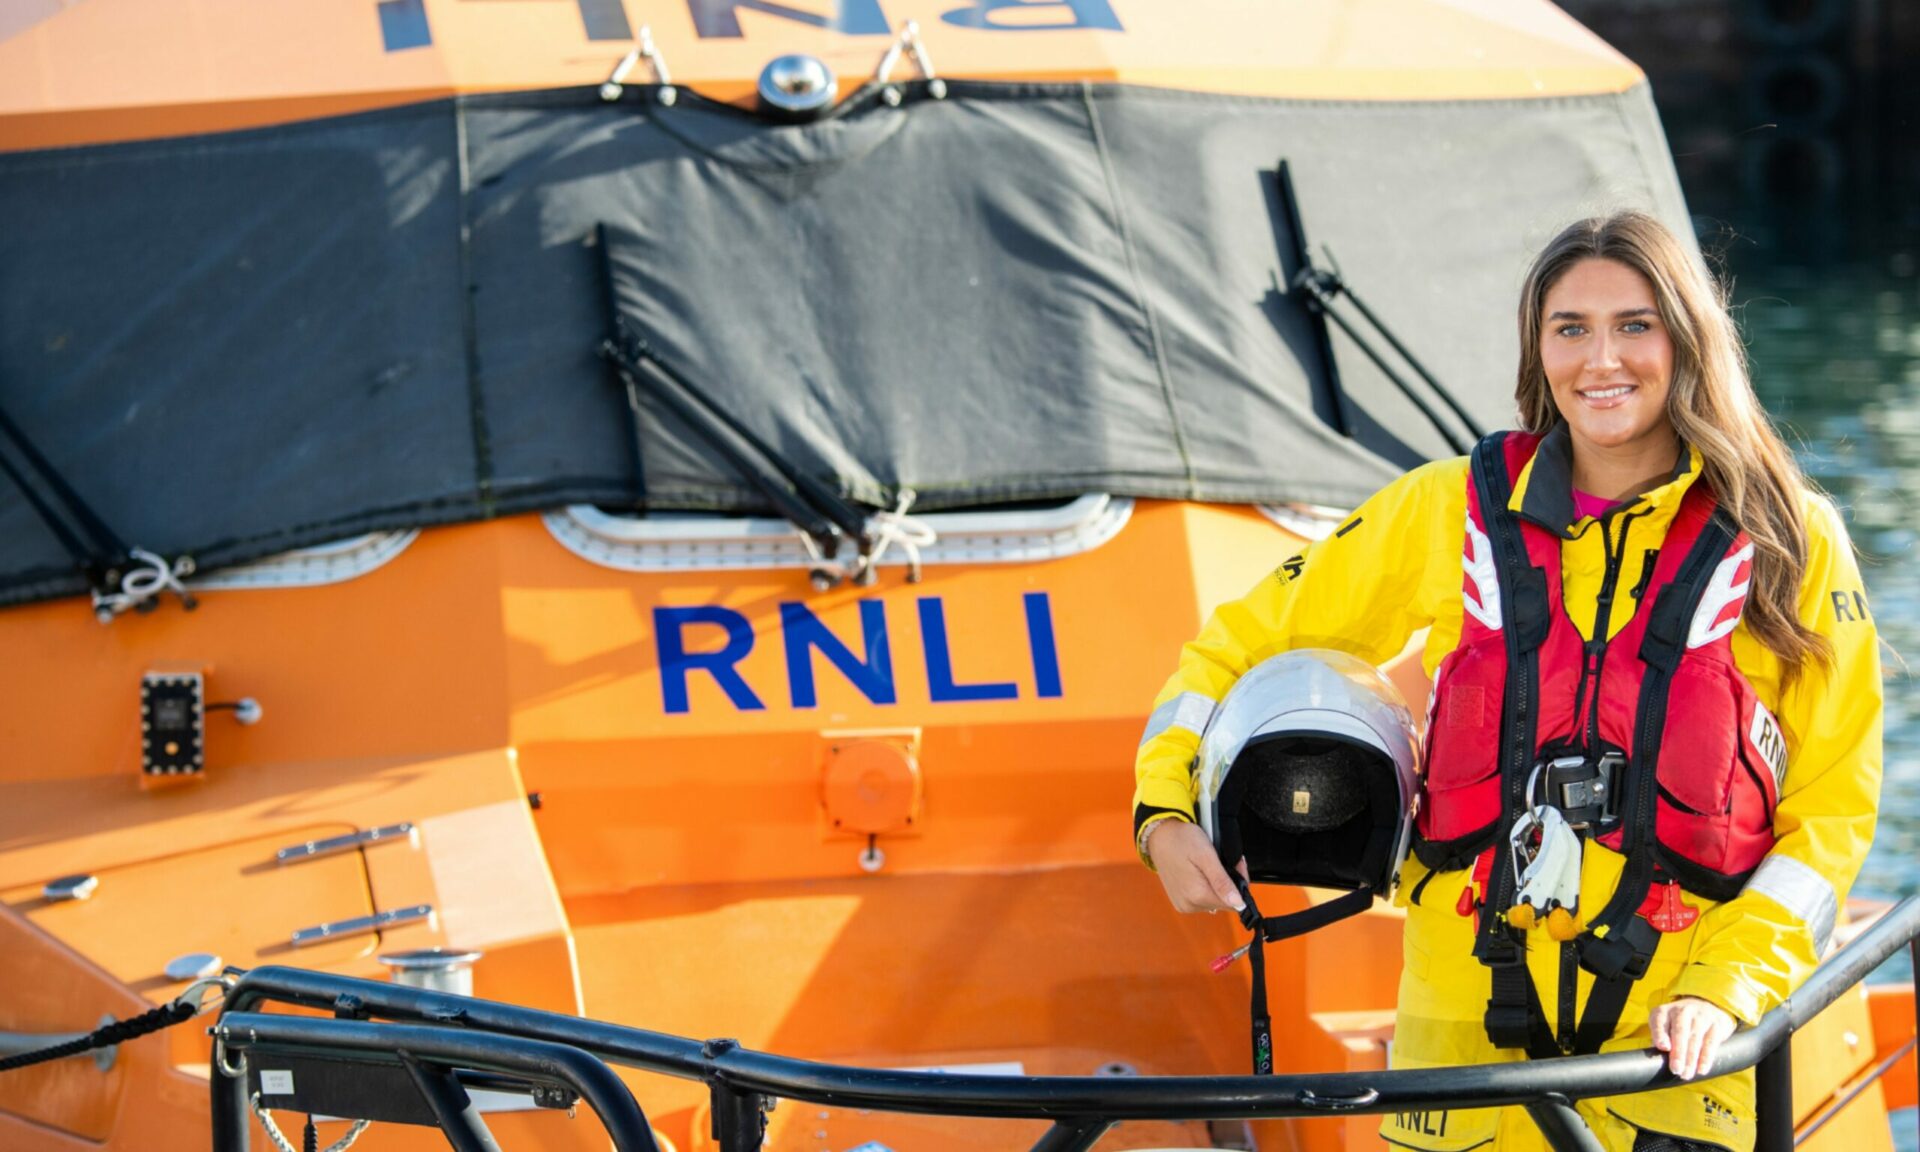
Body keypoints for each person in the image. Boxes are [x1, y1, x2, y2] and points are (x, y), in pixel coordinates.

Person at [1131, 211, 1883, 1152]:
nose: (1600, 359)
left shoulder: (1790, 541)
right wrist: (1162, 813)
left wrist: (1725, 986)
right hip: (1463, 1050)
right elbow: (1231, 652)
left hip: (1680, 1055)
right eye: (1570, 328)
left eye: (1634, 325)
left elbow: (1836, 815)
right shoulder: (1444, 507)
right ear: (1537, 351)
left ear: (1688, 340)